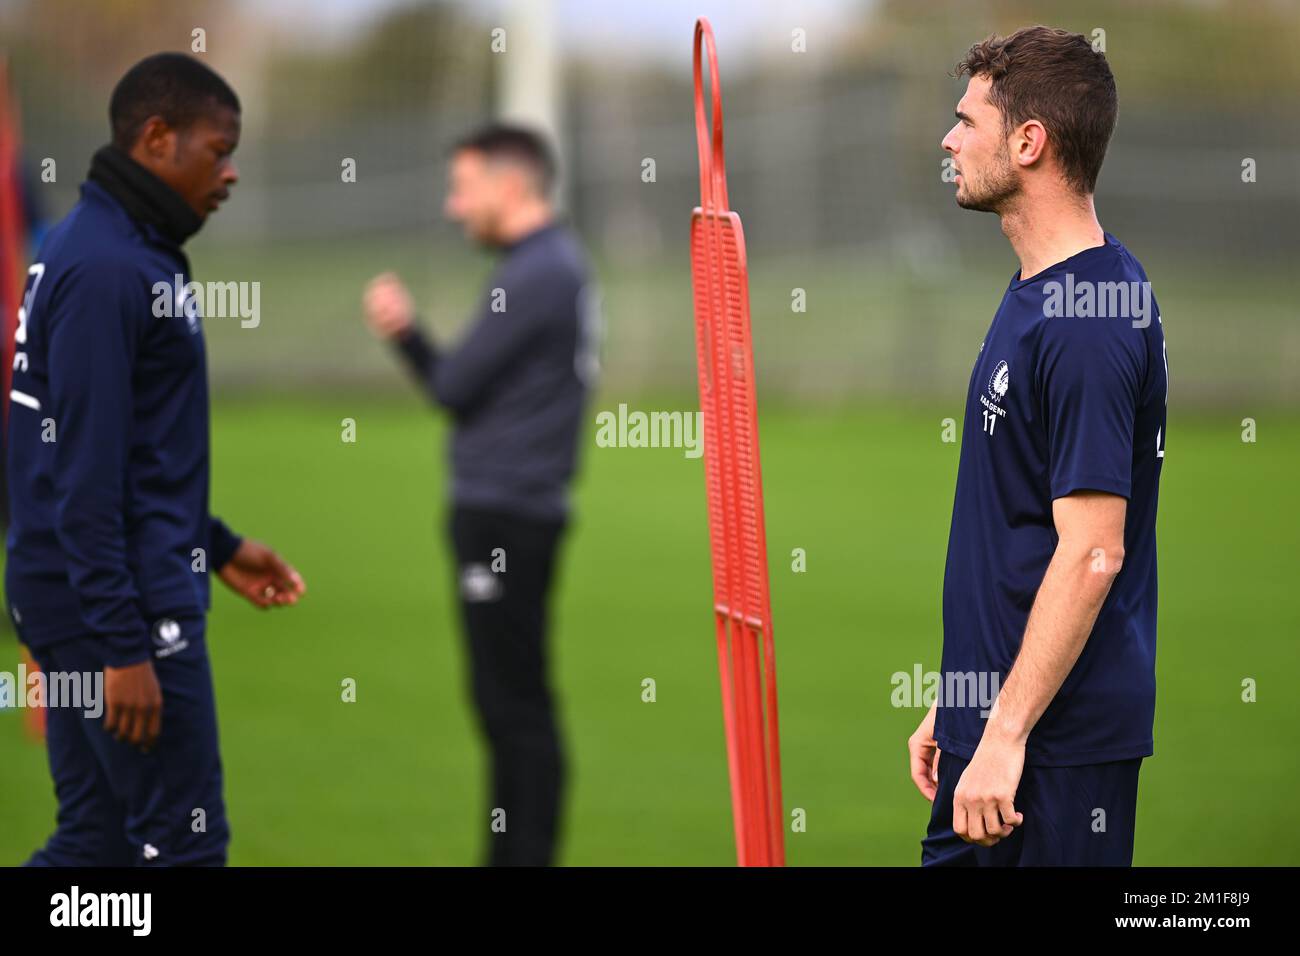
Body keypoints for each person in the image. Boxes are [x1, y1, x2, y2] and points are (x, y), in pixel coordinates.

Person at [6, 52, 305, 866]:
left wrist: (217, 545)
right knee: (181, 847)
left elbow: (120, 460)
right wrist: (122, 647)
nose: (232, 171)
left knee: (97, 843)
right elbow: (84, 477)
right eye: (220, 149)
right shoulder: (110, 270)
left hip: (66, 597)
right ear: (157, 137)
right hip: (117, 612)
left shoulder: (105, 244)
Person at [910, 26, 1167, 866]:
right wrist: (962, 701)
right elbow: (1014, 530)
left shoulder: (1090, 321)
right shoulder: (1037, 288)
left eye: (967, 122)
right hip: (994, 728)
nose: (948, 141)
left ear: (1029, 142)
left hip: (1050, 754)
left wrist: (1006, 730)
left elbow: (1093, 552)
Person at [362, 124, 598, 866]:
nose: (452, 206)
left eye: (463, 189)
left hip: (506, 514)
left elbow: (453, 385)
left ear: (510, 185)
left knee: (512, 706)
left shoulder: (539, 271)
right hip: (517, 510)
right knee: (508, 702)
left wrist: (404, 333)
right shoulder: (549, 264)